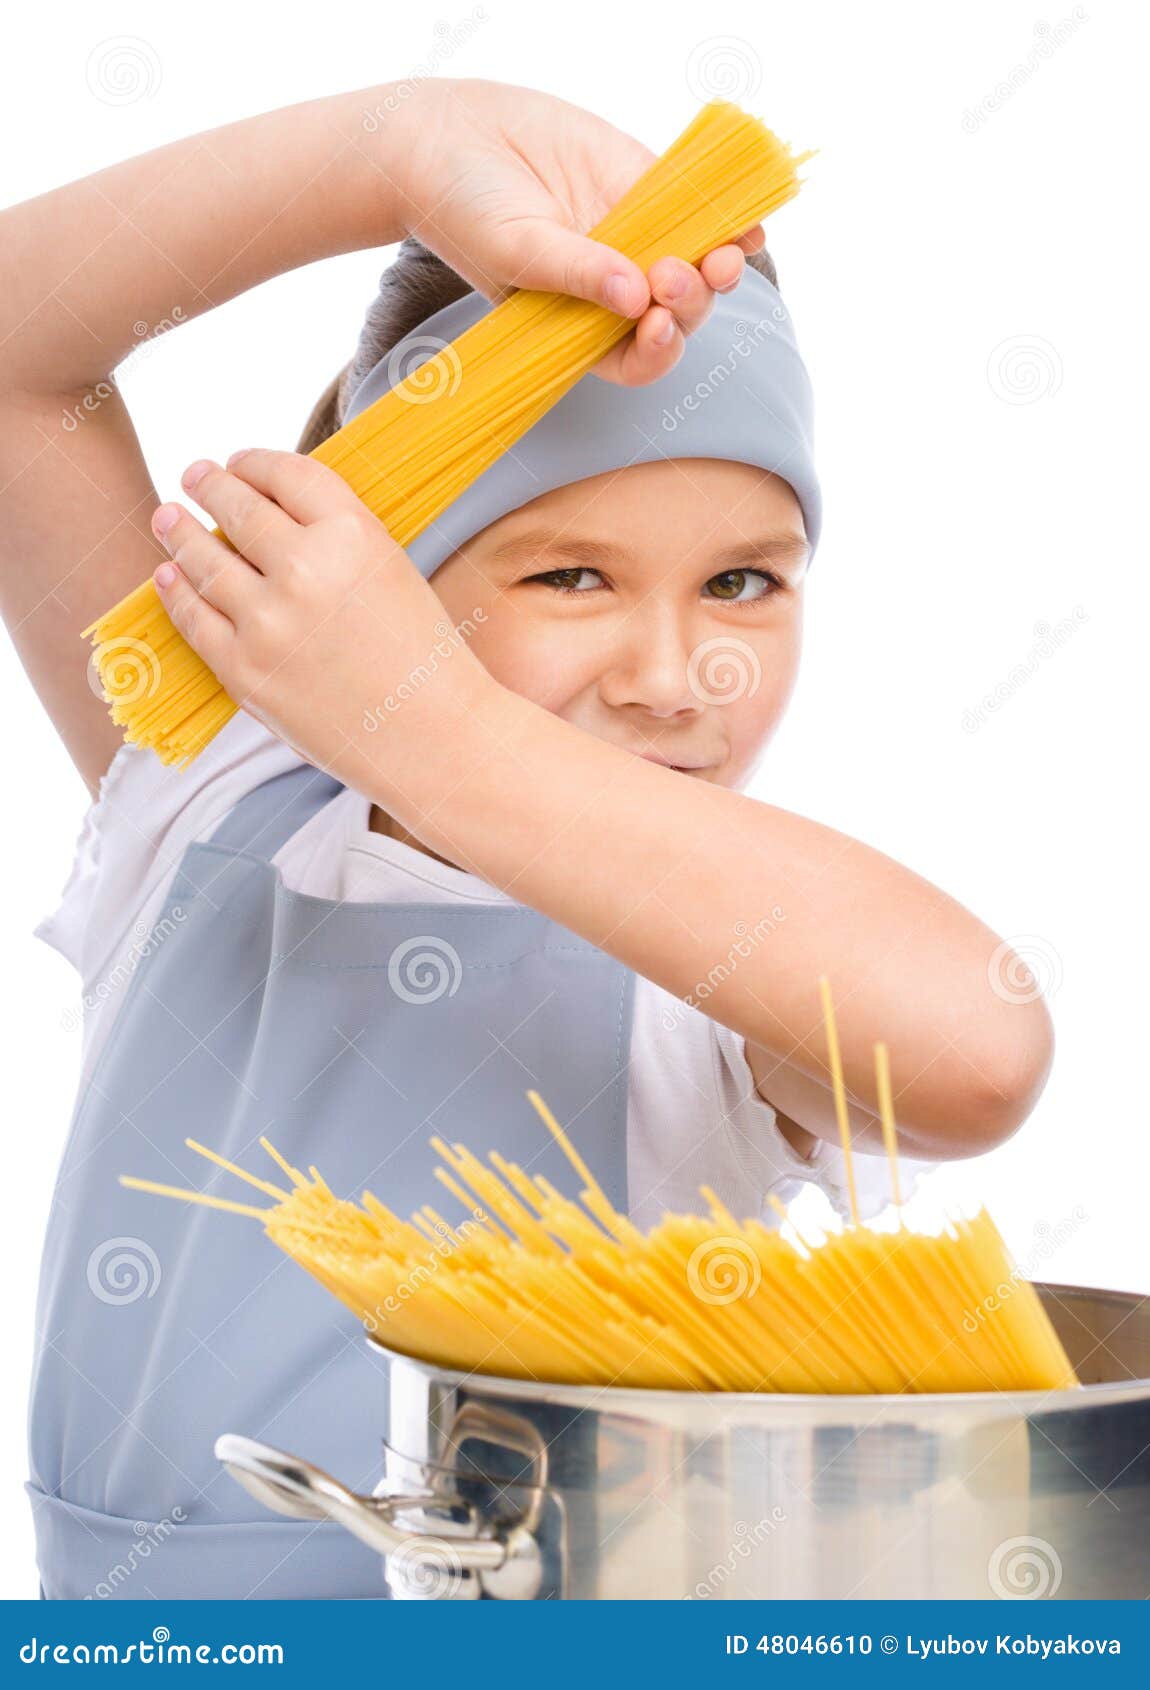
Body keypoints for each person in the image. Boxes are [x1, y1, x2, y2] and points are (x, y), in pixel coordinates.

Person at [0, 77, 1052, 1600]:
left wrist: (436, 729)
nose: (671, 673)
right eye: (571, 576)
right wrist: (388, 151)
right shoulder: (199, 783)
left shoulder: (728, 945)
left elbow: (980, 1053)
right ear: (388, 571)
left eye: (745, 583)